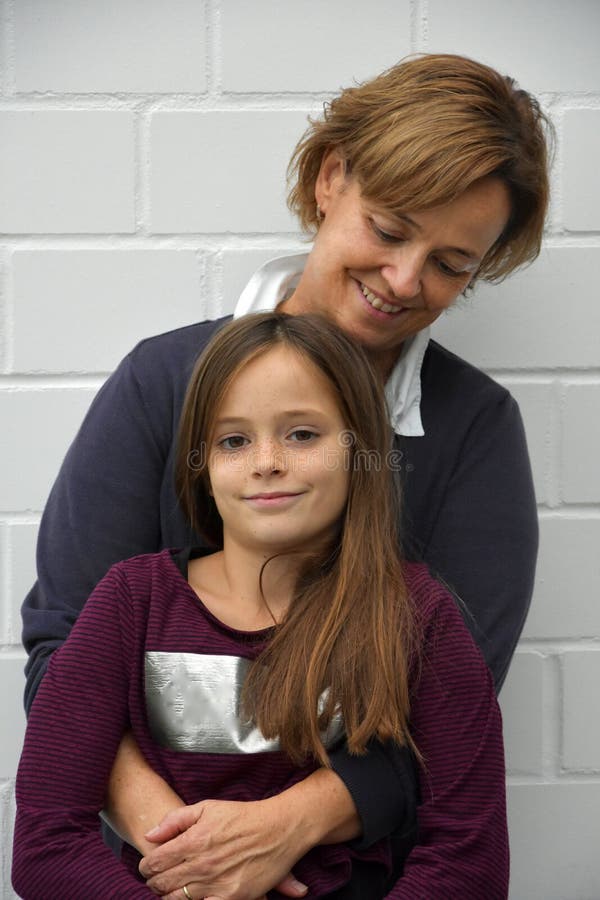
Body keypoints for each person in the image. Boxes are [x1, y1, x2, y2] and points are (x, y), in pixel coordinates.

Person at [20, 53, 550, 898]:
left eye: (452, 264)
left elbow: (454, 719)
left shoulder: (474, 431)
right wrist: (187, 857)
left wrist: (283, 827)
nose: (406, 281)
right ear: (331, 179)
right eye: (388, 228)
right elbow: (62, 650)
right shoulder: (163, 385)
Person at [13, 313, 508, 900]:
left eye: (302, 434)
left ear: (360, 449)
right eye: (234, 440)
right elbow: (46, 844)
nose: (266, 460)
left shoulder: (419, 620)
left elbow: (467, 861)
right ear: (201, 463)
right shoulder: (129, 603)